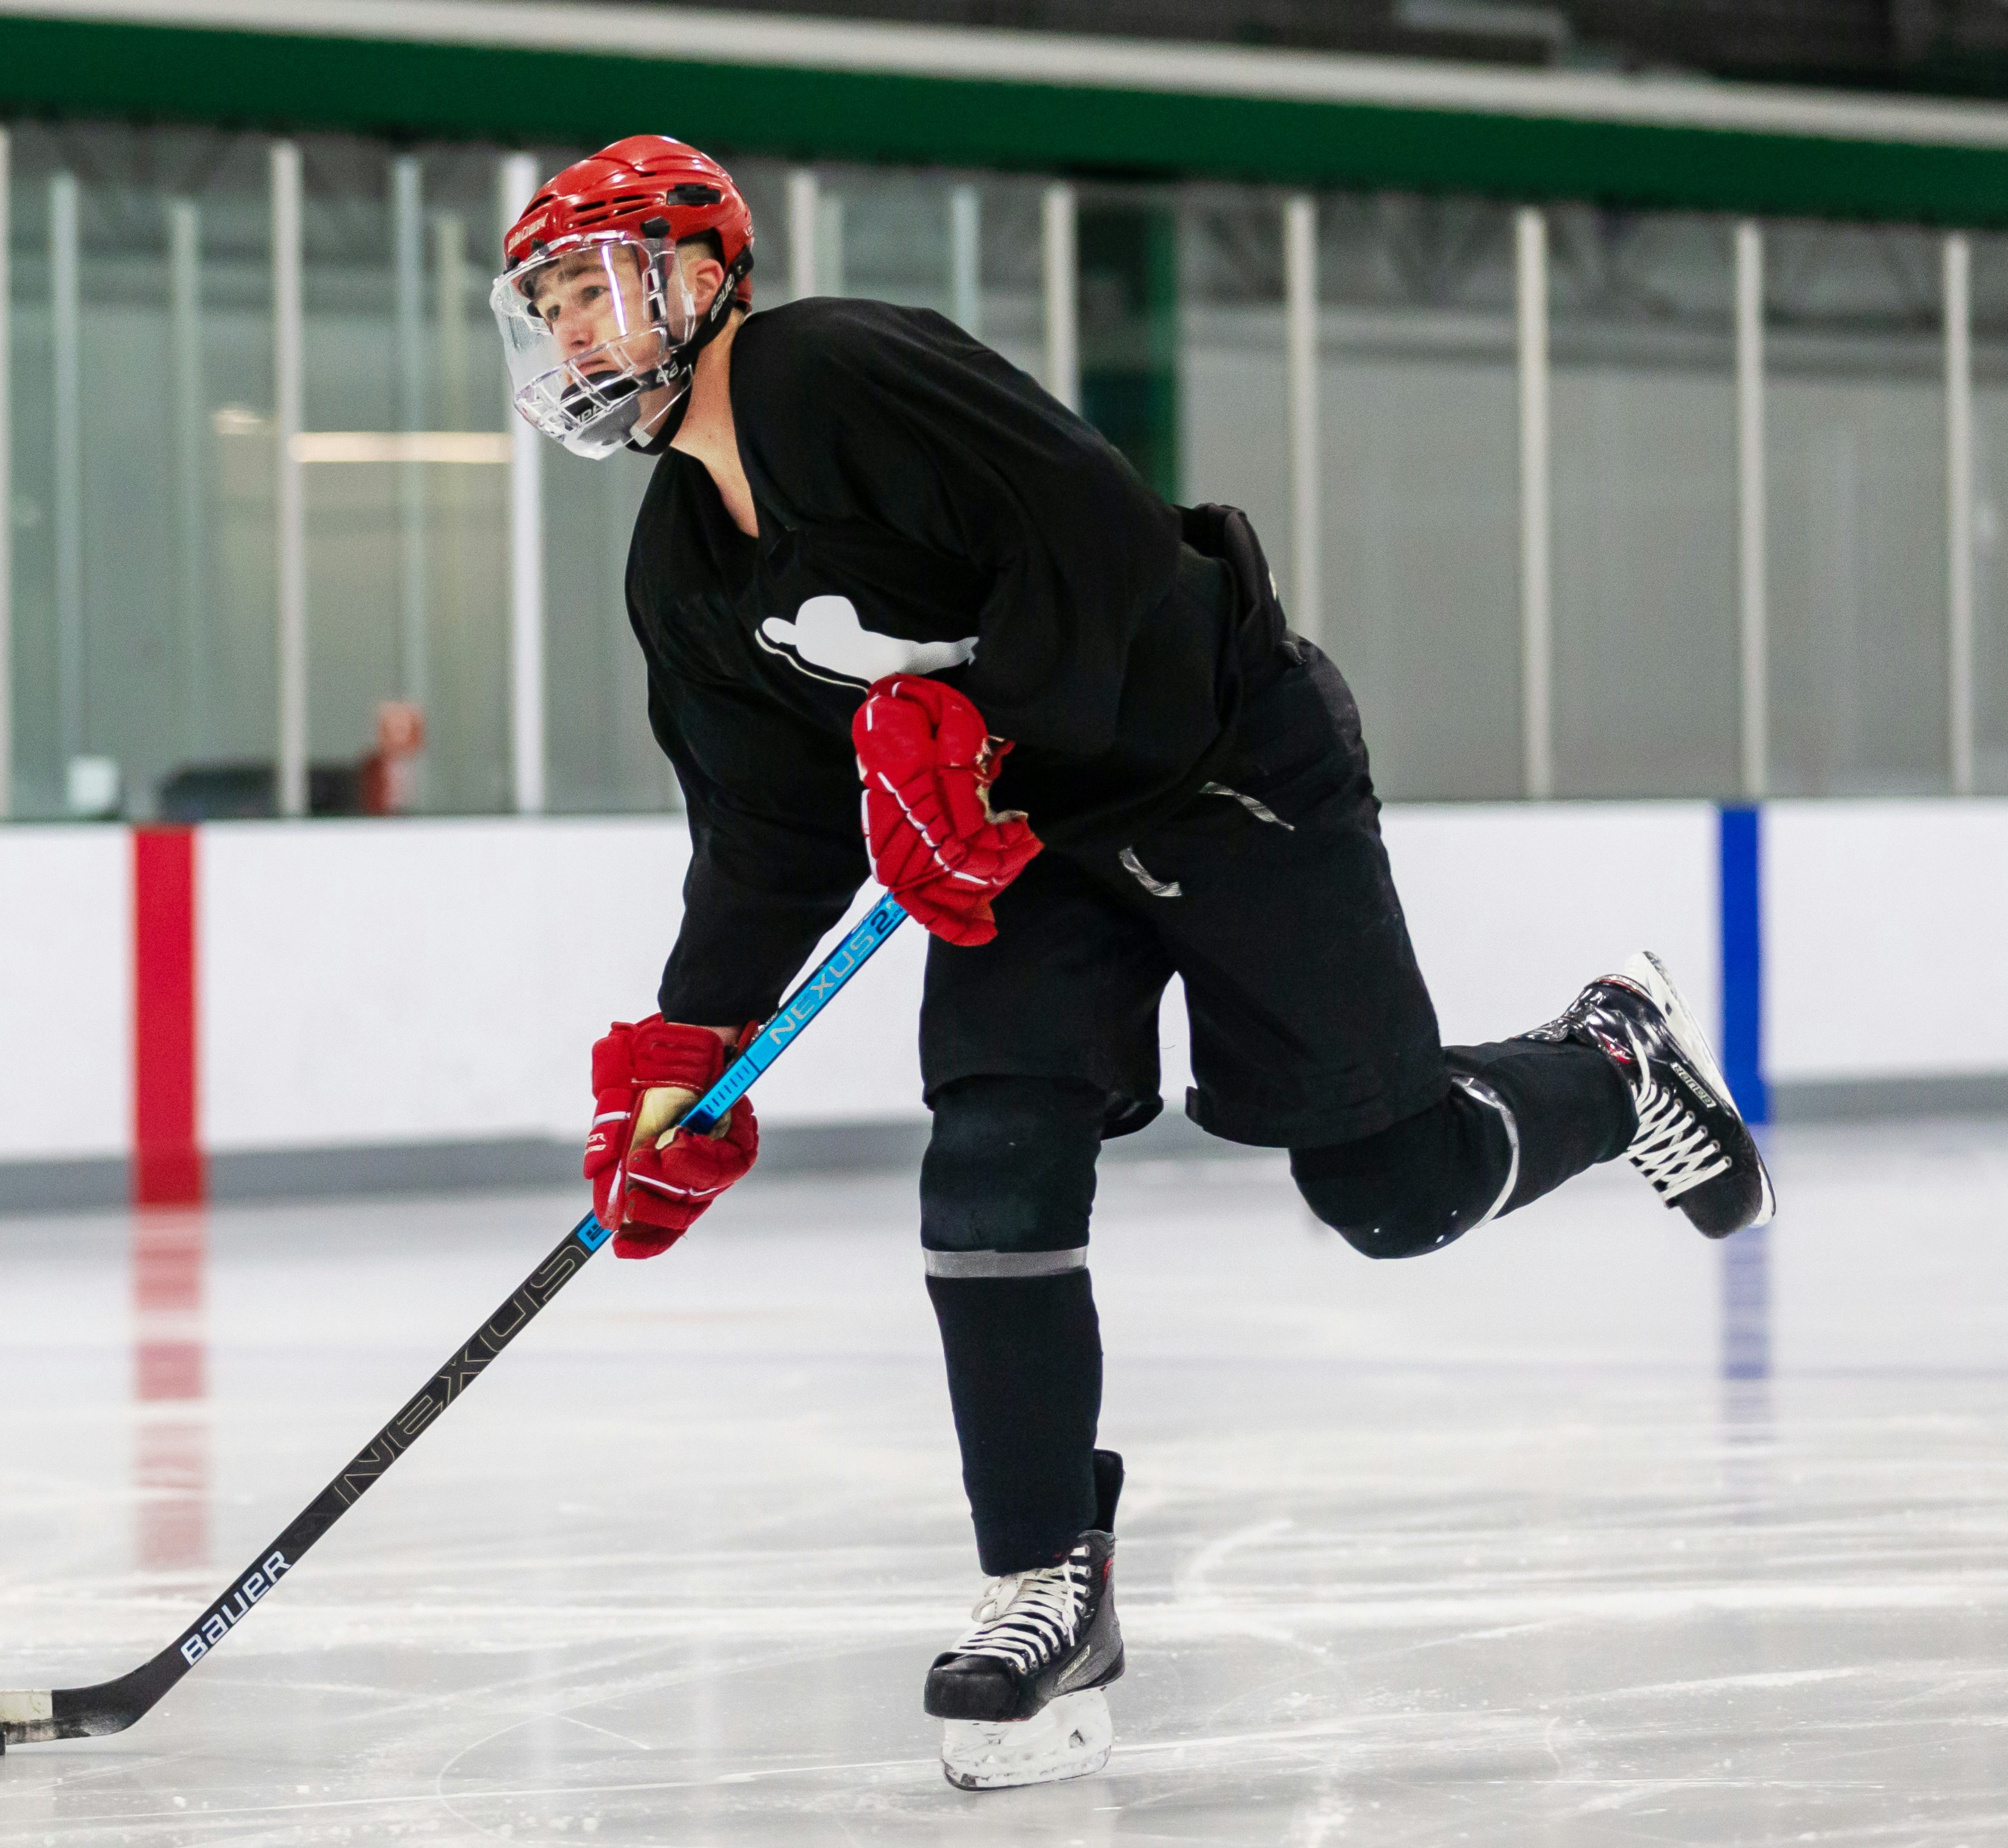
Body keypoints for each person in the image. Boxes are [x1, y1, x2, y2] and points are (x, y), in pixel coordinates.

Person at [492, 136, 1775, 1793]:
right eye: (550, 305)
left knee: (1392, 1187)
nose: (576, 333)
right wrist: (688, 1049)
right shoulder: (678, 570)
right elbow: (765, 832)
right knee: (993, 1144)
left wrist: (981, 724)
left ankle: (1612, 1062)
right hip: (1031, 852)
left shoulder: (830, 371)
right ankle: (1044, 1578)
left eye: (598, 288)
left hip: (1216, 765)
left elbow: (1093, 534)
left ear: (699, 274)